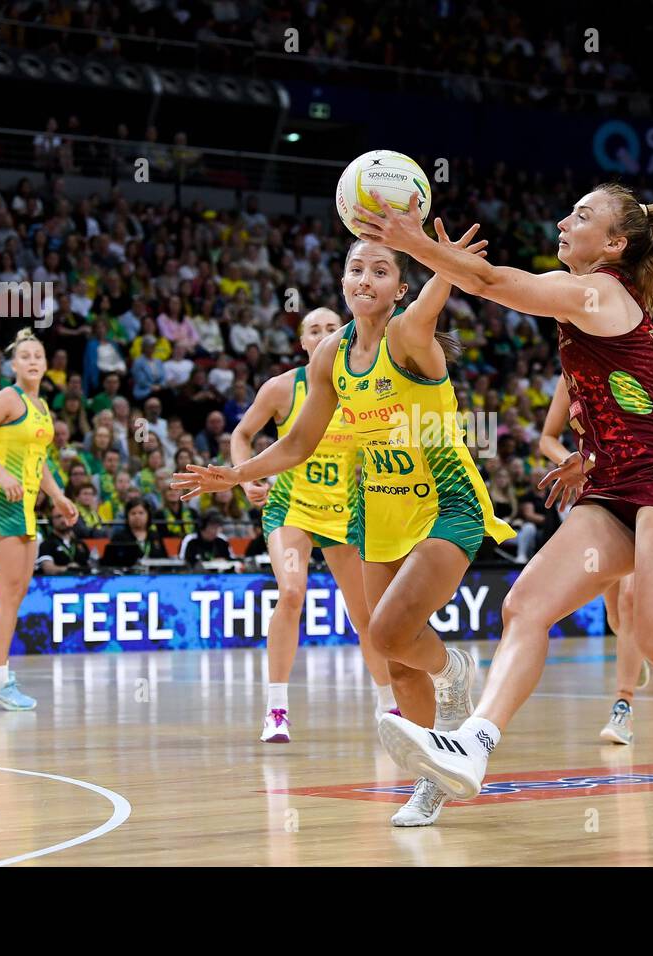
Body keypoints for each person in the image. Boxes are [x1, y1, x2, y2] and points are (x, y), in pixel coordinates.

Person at [347, 182, 653, 800]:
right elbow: (646, 400)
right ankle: (474, 747)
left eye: (583, 215)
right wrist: (592, 453)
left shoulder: (600, 290)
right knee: (525, 606)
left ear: (614, 244)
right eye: (569, 210)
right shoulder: (588, 298)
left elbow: (491, 283)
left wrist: (413, 241)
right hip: (615, 483)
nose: (564, 221)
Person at [173, 226, 514, 827]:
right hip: (375, 508)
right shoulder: (331, 355)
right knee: (399, 660)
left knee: (385, 635)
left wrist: (444, 261)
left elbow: (441, 290)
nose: (366, 280)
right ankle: (431, 778)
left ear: (398, 287)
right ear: (342, 279)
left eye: (381, 271)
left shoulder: (411, 332)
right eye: (357, 268)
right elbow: (301, 440)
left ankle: (455, 672)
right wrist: (236, 474)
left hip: (445, 503)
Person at [230, 307, 392, 746]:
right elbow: (241, 434)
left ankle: (388, 708)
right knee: (291, 592)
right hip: (291, 507)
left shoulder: (365, 386)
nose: (323, 334)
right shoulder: (282, 388)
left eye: (330, 328)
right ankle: (276, 710)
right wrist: (246, 476)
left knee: (367, 616)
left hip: (345, 513)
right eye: (313, 329)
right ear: (302, 342)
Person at [0, 328, 78, 710]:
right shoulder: (6, 398)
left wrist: (57, 496)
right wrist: (0, 472)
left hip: (25, 510)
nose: (33, 361)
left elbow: (39, 462)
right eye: (25, 356)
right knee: (6, 594)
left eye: (38, 356)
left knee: (16, 594)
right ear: (13, 364)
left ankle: (0, 676)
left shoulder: (42, 407)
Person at [540, 375, 648, 744]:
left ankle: (623, 706)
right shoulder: (568, 377)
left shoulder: (638, 364)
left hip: (644, 492)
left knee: (631, 602)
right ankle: (634, 650)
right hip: (600, 500)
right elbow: (547, 438)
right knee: (617, 615)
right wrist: (571, 461)